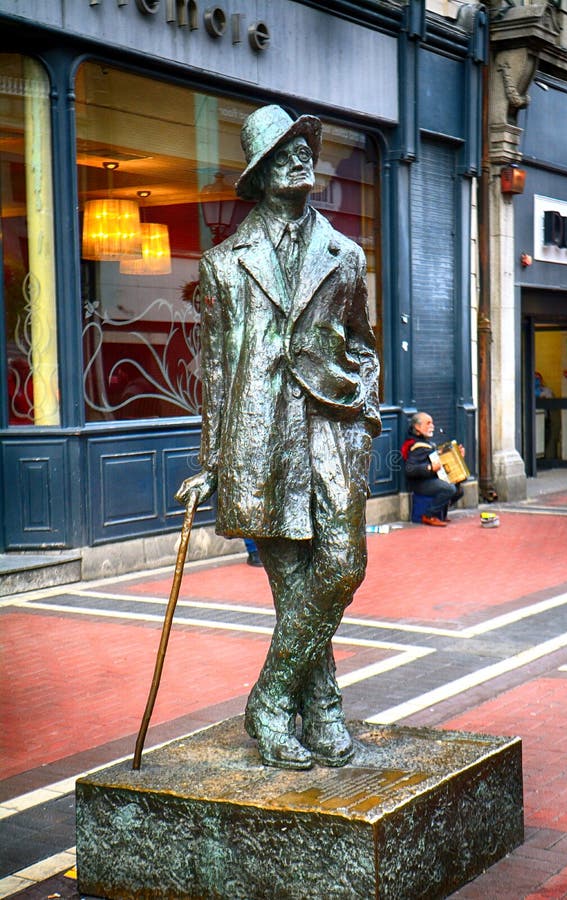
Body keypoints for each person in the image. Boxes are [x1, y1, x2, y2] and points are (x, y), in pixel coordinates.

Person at [176, 105, 380, 770]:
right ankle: (320, 712)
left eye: (305, 147)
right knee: (293, 583)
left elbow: (364, 346)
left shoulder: (344, 255)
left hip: (331, 428)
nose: (302, 159)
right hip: (258, 439)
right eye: (285, 152)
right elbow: (214, 367)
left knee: (344, 565)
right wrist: (210, 461)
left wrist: (366, 415)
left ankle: (268, 700)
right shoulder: (224, 263)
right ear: (261, 175)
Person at [401, 412, 464, 527]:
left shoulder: (428, 443)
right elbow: (410, 469)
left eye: (432, 423)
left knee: (459, 489)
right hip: (421, 483)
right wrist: (429, 468)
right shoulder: (416, 446)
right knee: (449, 489)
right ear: (417, 427)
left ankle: (441, 513)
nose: (432, 426)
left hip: (432, 479)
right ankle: (429, 515)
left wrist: (457, 456)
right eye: (428, 423)